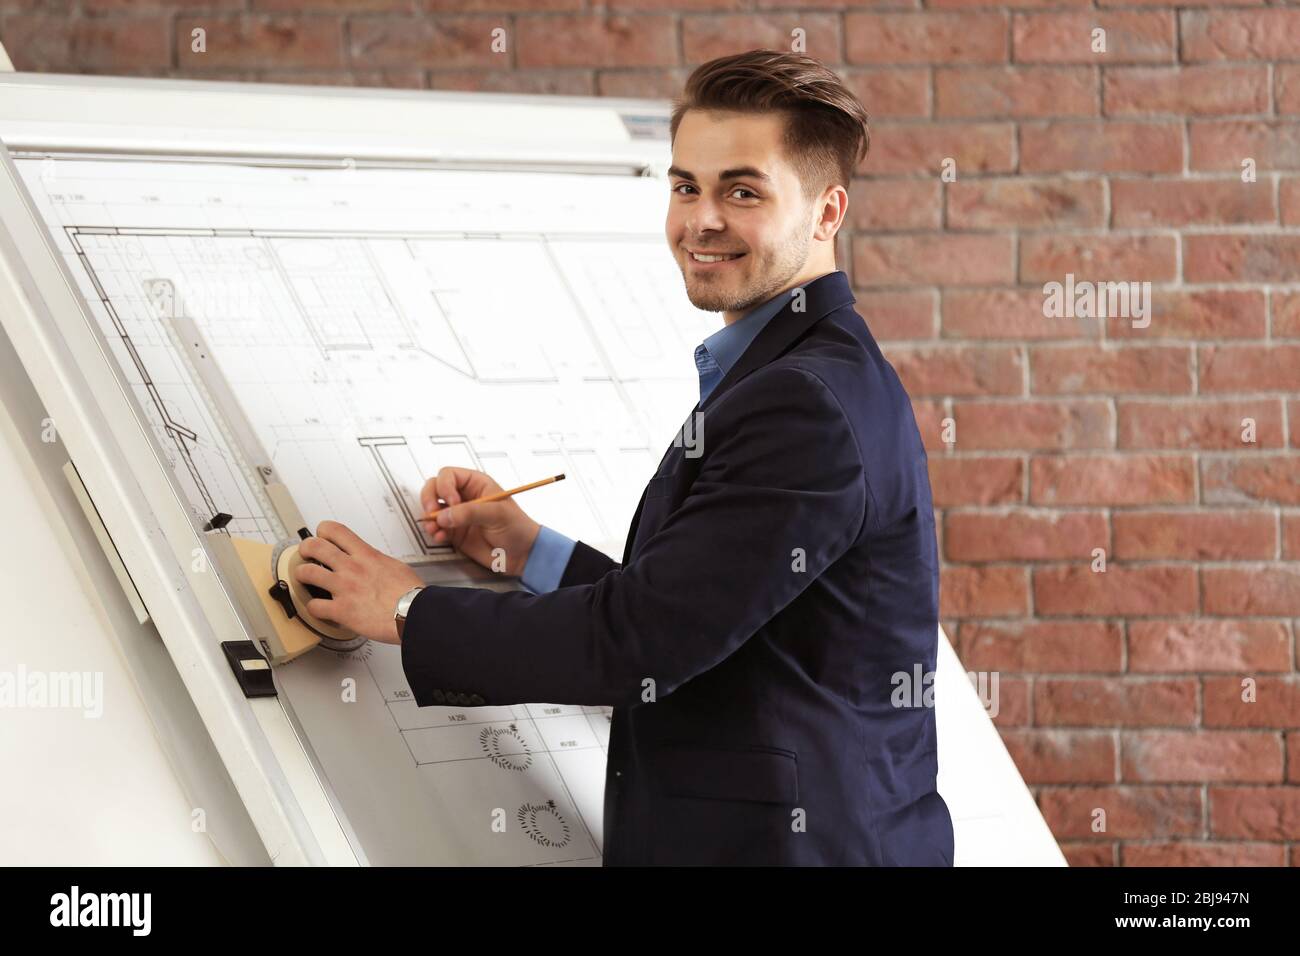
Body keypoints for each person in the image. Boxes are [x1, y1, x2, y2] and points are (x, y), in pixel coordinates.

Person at [293, 49, 954, 866]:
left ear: (826, 213)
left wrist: (405, 609)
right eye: (686, 187)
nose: (700, 220)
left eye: (741, 191)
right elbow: (700, 616)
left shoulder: (802, 401)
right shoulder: (799, 369)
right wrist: (528, 548)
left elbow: (642, 643)